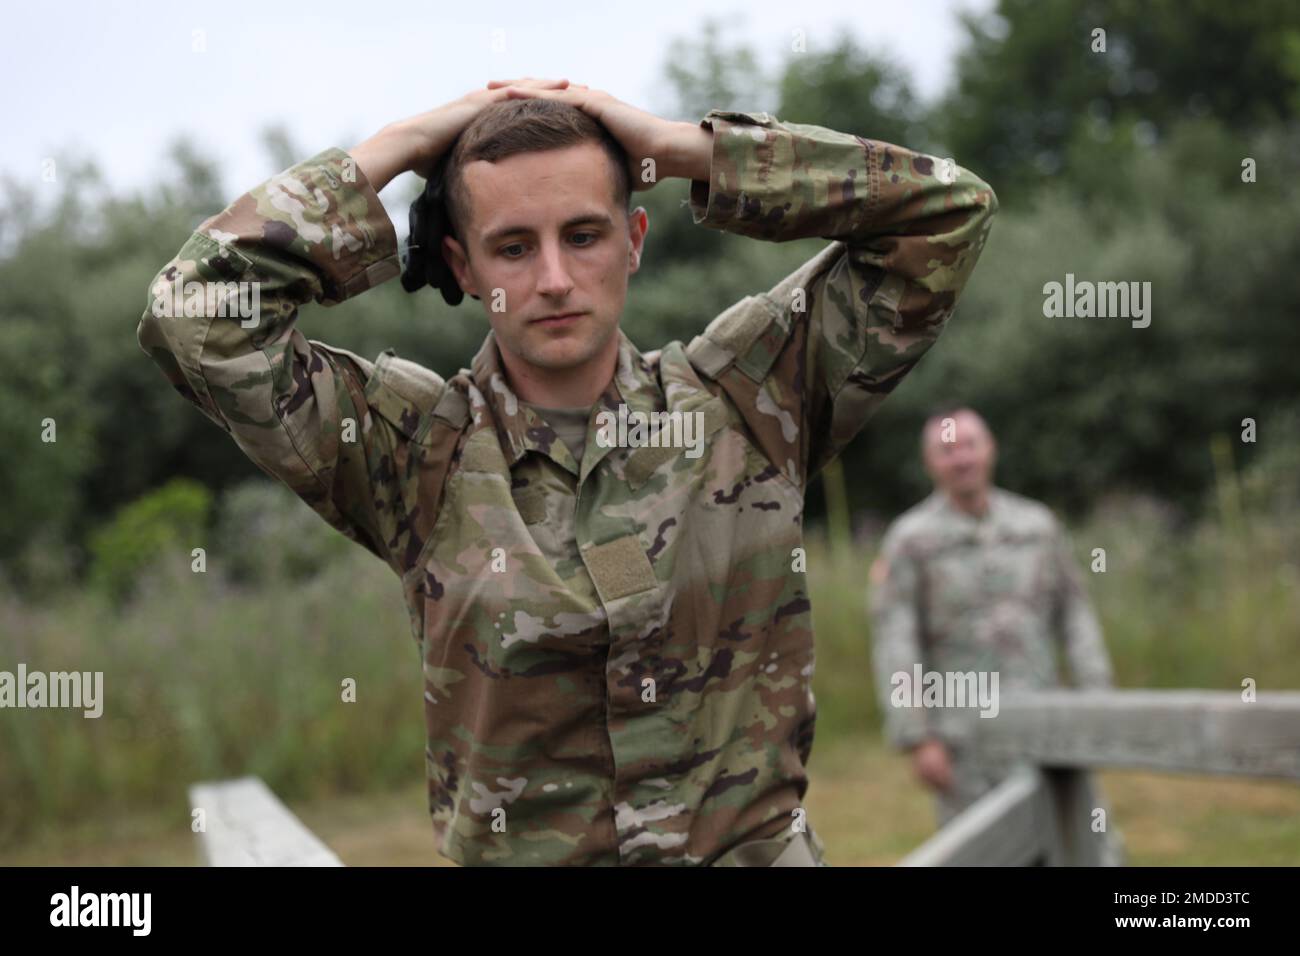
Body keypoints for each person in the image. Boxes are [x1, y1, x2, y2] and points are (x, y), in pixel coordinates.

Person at [138, 78, 997, 866]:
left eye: (582, 235)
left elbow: (946, 212)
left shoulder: (752, 399)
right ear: (464, 265)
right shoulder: (410, 452)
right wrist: (401, 146)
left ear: (633, 240)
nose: (553, 280)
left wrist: (691, 150)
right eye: (513, 247)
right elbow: (194, 312)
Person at [869, 407, 1117, 833]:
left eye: (970, 445)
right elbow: (897, 641)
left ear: (990, 449)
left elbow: (1075, 615)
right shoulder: (911, 540)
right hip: (965, 738)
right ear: (930, 462)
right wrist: (917, 735)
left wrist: (1097, 697)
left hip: (1046, 725)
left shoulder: (1037, 526)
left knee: (1083, 844)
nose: (961, 458)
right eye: (947, 450)